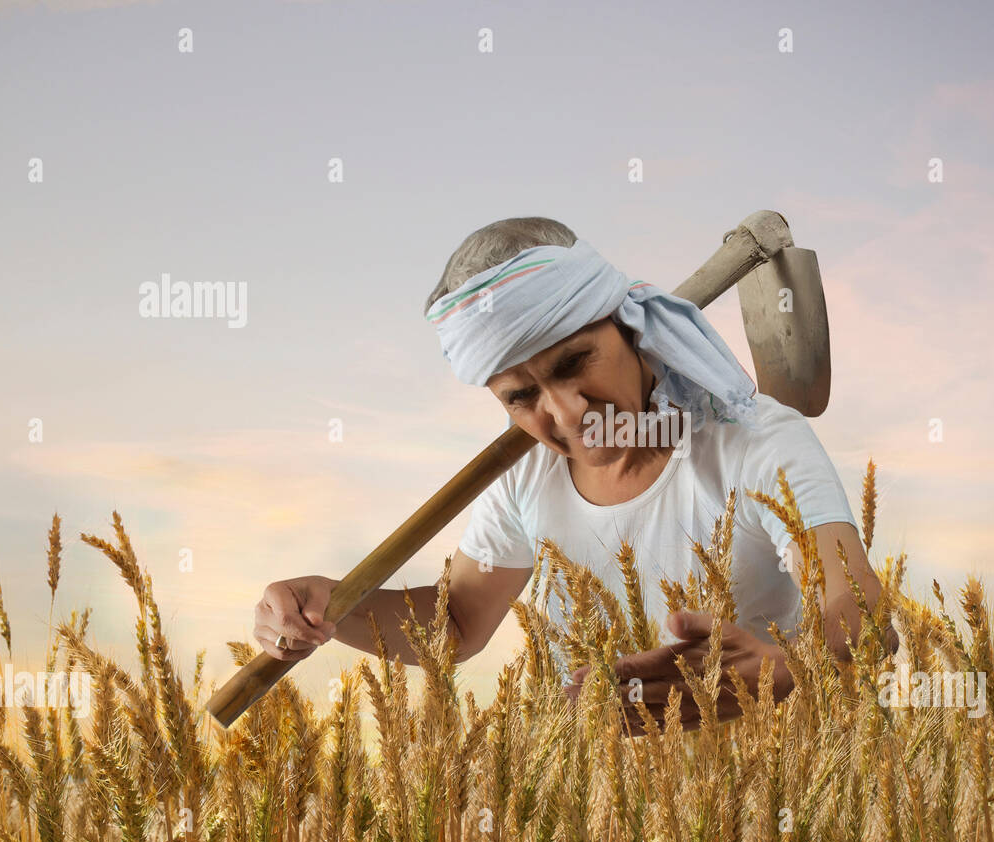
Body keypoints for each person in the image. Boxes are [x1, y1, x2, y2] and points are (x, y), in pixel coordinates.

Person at [252, 216, 897, 733]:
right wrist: (329, 606)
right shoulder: (522, 476)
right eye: (520, 396)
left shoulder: (754, 441)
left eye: (573, 362)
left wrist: (787, 667)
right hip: (601, 817)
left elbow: (862, 608)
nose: (566, 413)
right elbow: (454, 627)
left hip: (768, 801)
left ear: (631, 329)